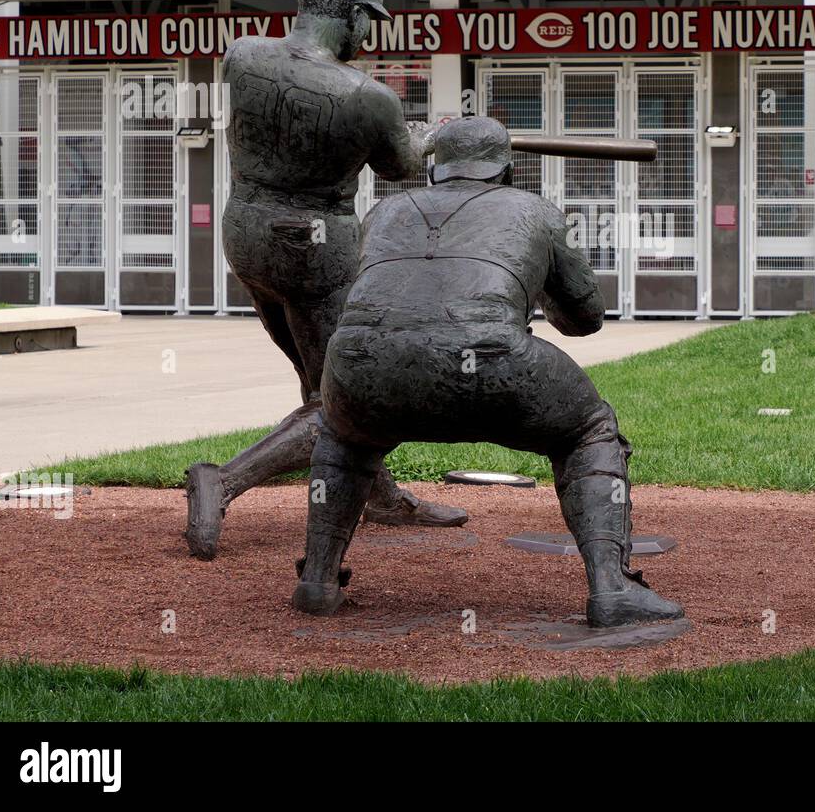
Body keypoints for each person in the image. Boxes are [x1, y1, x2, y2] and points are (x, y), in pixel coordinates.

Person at [290, 116, 684, 628]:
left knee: (343, 438)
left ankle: (317, 580)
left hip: (361, 364)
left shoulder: (383, 211)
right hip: (490, 364)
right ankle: (611, 588)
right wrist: (531, 285)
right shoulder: (535, 211)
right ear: (507, 170)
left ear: (435, 170)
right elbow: (584, 320)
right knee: (590, 429)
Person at [185, 0, 467, 561]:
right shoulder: (370, 97)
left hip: (247, 237)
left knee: (323, 378)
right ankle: (223, 481)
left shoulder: (242, 55)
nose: (370, 35)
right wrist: (431, 134)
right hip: (313, 249)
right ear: (348, 14)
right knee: (344, 396)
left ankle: (380, 496)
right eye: (369, 20)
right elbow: (401, 167)